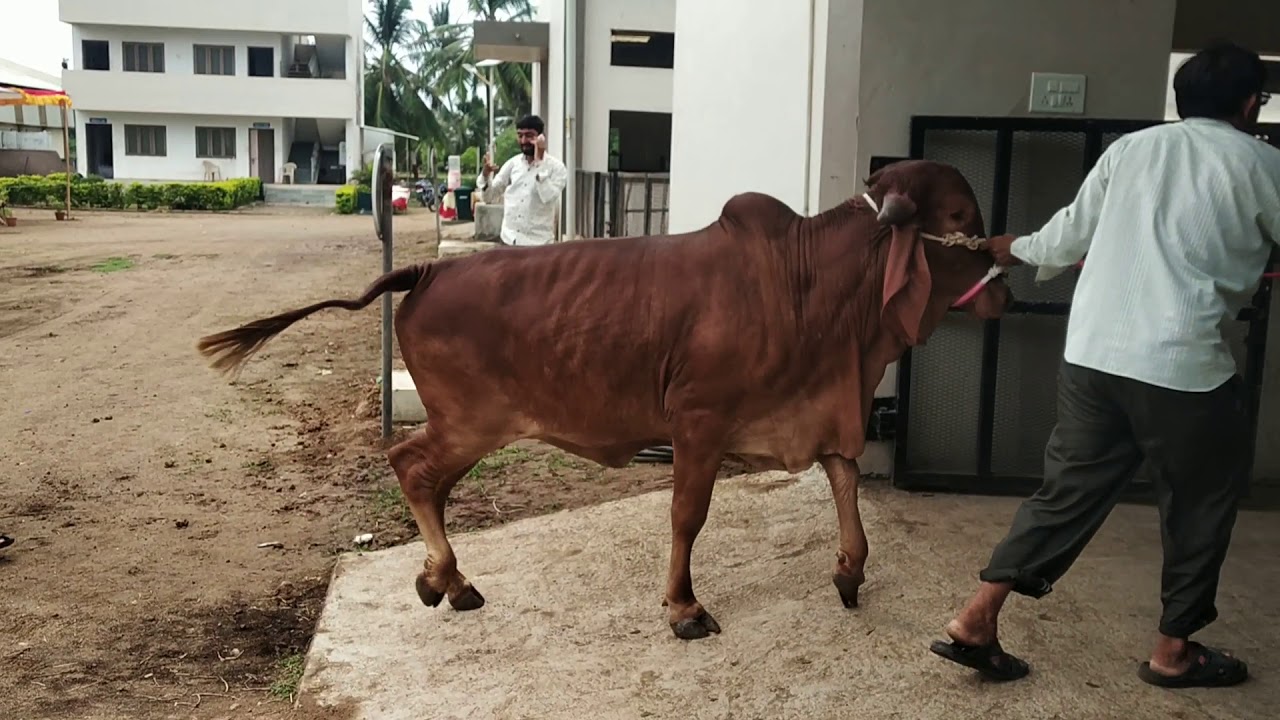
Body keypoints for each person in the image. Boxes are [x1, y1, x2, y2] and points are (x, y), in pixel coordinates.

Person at [930, 40, 1280, 689]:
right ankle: (1173, 653)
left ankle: (977, 618)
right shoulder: (1262, 165)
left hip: (1093, 358)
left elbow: (1065, 236)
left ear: (1181, 100)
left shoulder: (1132, 150)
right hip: (1183, 371)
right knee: (1200, 500)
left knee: (1065, 493)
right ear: (1252, 103)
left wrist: (1010, 246)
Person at [476, 114, 570, 247]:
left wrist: (539, 164)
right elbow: (489, 197)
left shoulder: (557, 168)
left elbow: (547, 197)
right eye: (520, 136)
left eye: (529, 136)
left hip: (538, 245)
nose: (524, 140)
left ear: (541, 137)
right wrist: (485, 176)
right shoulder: (512, 164)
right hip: (508, 241)